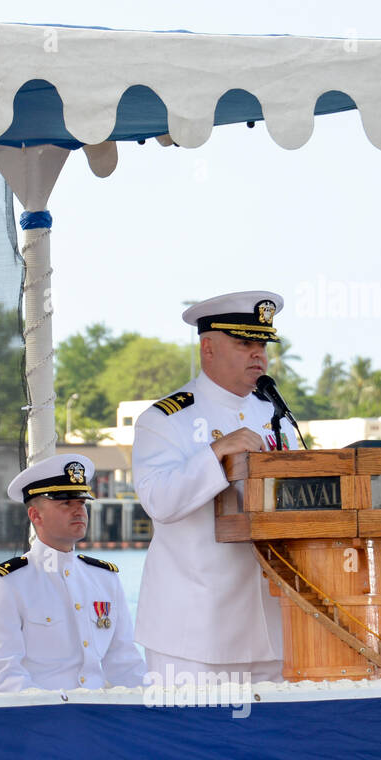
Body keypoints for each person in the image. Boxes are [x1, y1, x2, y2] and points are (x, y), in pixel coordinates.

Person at [131, 290, 299, 684]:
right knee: (192, 727)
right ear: (208, 348)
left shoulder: (276, 417)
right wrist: (215, 454)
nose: (258, 355)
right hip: (196, 633)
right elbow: (159, 501)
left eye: (262, 345)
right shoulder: (165, 419)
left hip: (274, 627)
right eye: (244, 344)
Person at [0, 454, 145, 692]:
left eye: (81, 503)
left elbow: (124, 663)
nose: (79, 511)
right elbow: (4, 675)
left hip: (98, 710)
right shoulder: (6, 583)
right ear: (36, 515)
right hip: (40, 711)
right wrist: (57, 710)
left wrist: (155, 702)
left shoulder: (104, 578)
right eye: (66, 503)